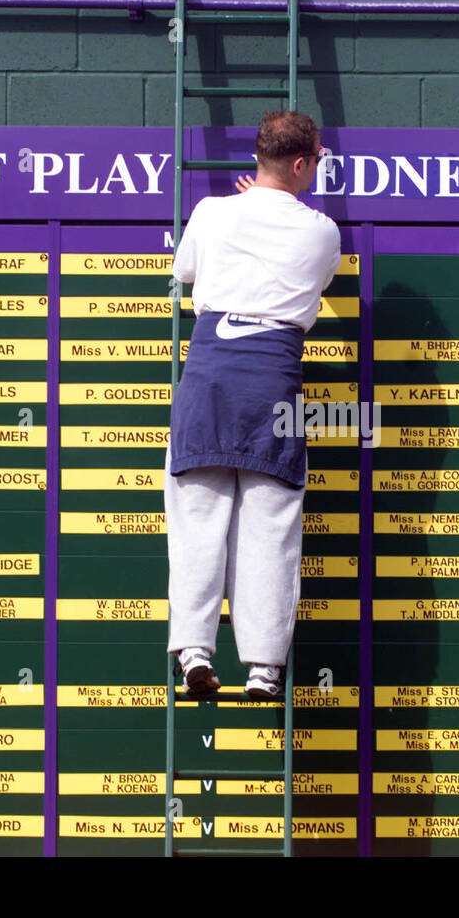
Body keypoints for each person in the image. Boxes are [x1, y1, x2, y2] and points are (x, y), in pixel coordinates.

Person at [165, 110, 341, 698]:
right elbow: (318, 281)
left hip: (209, 376)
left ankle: (194, 652)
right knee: (271, 530)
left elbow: (185, 271)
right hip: (273, 381)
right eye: (317, 159)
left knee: (196, 523)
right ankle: (264, 669)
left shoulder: (211, 213)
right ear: (301, 163)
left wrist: (243, 209)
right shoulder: (322, 232)